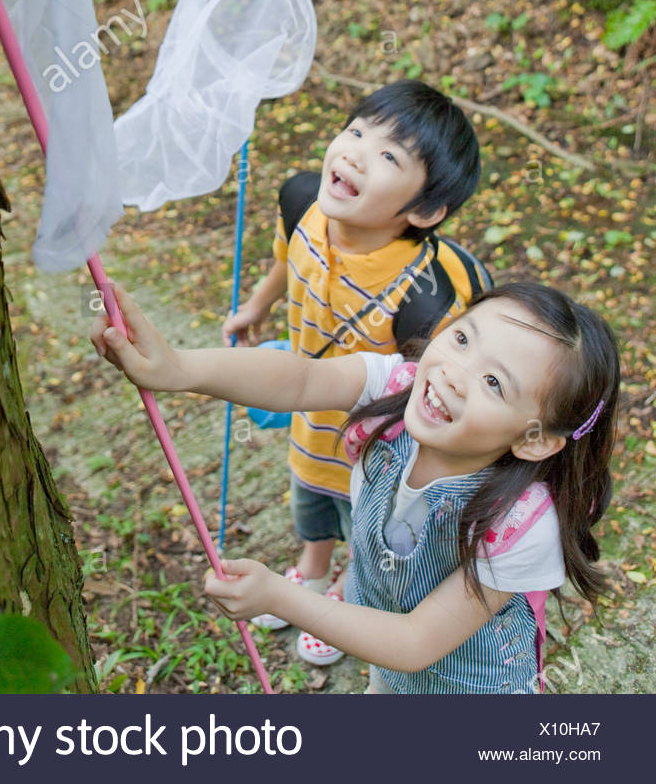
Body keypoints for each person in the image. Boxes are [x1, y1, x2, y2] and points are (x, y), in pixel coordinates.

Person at [92, 280, 619, 694]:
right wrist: (181, 368)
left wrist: (281, 597)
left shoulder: (521, 525)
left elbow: (415, 642)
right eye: (462, 338)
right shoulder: (398, 386)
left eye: (494, 383)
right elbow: (298, 379)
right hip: (382, 655)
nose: (454, 373)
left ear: (534, 441)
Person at [221, 80, 482, 661]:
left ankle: (345, 596)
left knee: (363, 518)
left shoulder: (429, 297)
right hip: (308, 410)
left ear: (425, 210)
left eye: (388, 156)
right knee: (307, 497)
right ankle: (311, 571)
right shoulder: (304, 203)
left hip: (376, 439)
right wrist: (257, 306)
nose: (354, 152)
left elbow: (436, 391)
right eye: (357, 131)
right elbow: (286, 255)